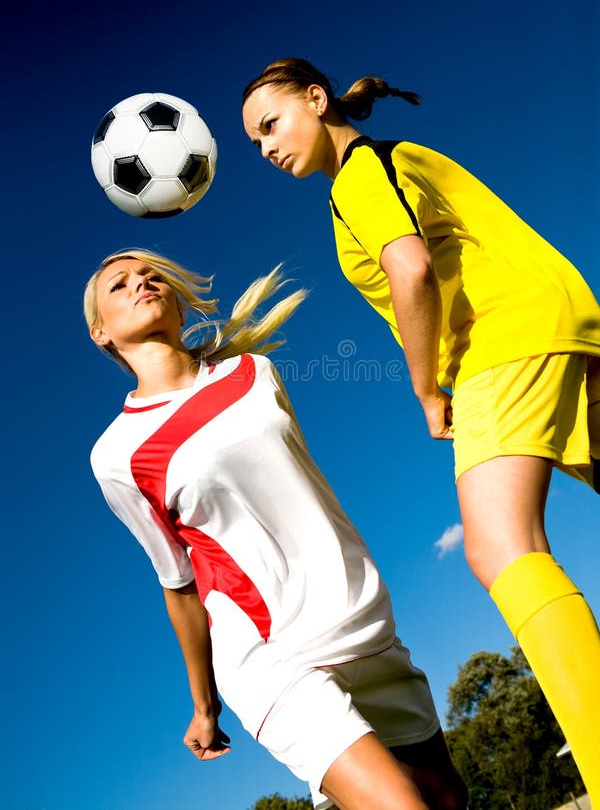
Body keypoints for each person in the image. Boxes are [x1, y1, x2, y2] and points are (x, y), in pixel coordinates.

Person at [242, 58, 600, 799]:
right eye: (254, 144)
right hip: (562, 320)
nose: (266, 148)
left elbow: (409, 268)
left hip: (503, 344)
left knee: (501, 547)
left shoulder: (357, 176)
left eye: (270, 125)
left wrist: (425, 387)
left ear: (317, 99)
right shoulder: (397, 156)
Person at [84, 248, 467, 810]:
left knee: (446, 798)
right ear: (101, 333)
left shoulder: (255, 374)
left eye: (151, 274)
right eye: (119, 285)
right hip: (269, 652)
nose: (141, 282)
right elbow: (179, 582)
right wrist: (205, 706)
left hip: (363, 622)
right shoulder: (116, 455)